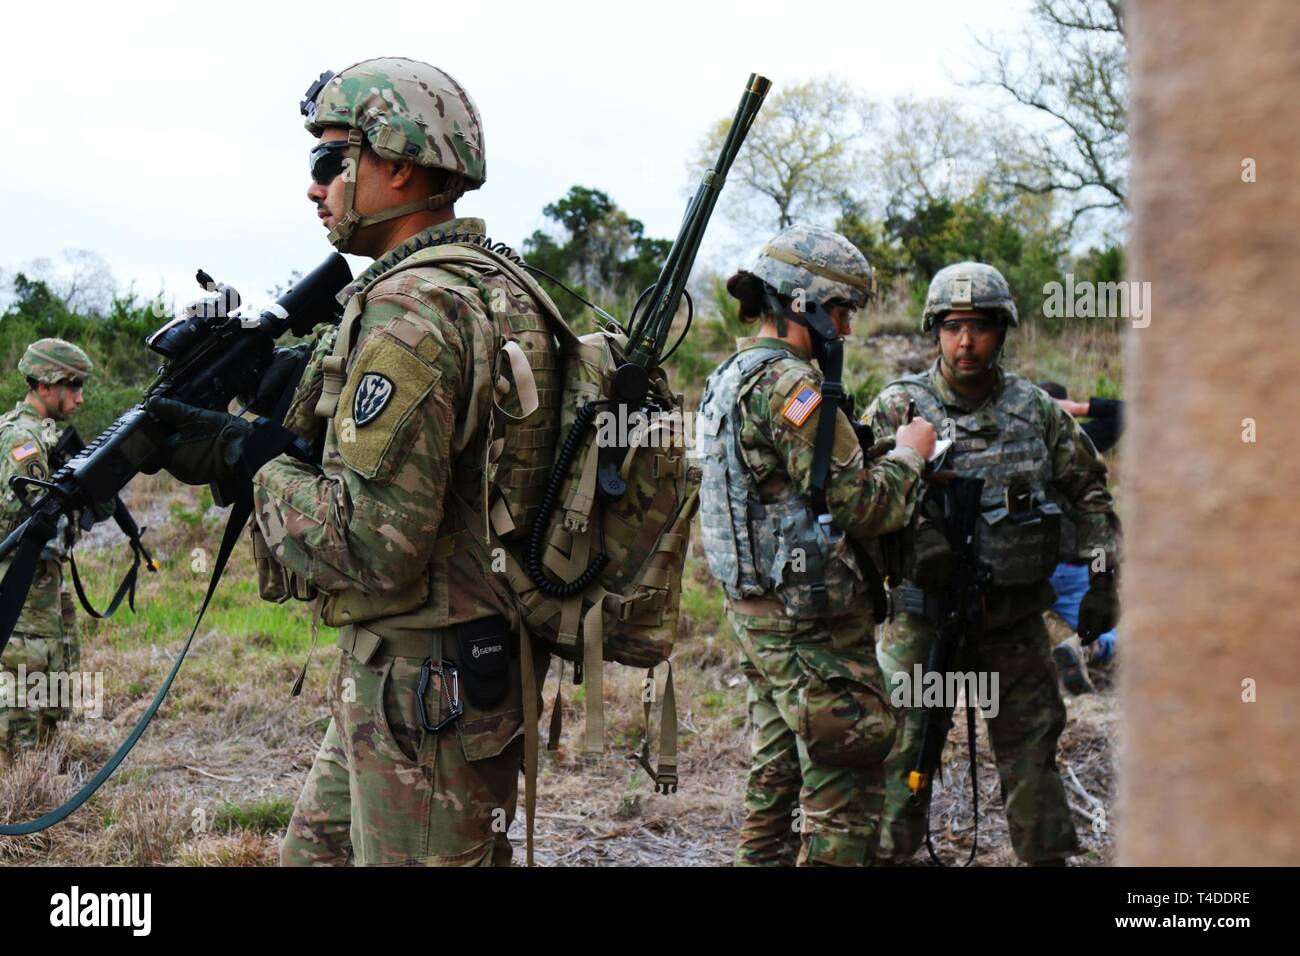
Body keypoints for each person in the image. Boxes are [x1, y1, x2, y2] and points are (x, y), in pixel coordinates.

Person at [148, 57, 558, 865]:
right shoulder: (494, 283)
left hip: (428, 695)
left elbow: (376, 543)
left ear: (399, 165)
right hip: (418, 677)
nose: (314, 186)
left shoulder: (410, 307)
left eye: (329, 161)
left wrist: (245, 459)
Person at [864, 261, 1121, 866]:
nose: (966, 341)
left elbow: (1090, 493)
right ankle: (884, 857)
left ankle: (1046, 858)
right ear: (935, 329)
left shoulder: (1037, 411)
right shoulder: (899, 406)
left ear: (1001, 331)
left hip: (1011, 622)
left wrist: (1103, 580)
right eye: (954, 326)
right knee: (903, 753)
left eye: (980, 326)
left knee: (1031, 753)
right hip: (922, 620)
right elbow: (859, 504)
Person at [697, 223, 936, 866]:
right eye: (841, 311)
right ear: (800, 305)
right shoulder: (792, 389)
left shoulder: (728, 377)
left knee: (774, 777)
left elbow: (795, 490)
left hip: (757, 615)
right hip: (809, 629)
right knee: (845, 794)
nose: (849, 330)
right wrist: (911, 457)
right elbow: (861, 506)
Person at [0, 339, 95, 766]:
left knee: (53, 677)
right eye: (72, 386)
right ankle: (17, 791)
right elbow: (33, 522)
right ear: (45, 386)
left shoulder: (40, 436)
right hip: (21, 588)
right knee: (23, 687)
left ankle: (38, 775)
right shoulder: (23, 441)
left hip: (42, 588)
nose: (79, 397)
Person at [1036, 381, 1122, 691]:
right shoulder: (1080, 442)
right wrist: (1079, 409)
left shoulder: (1014, 441)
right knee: (1112, 630)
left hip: (1023, 565)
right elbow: (1127, 414)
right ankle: (1086, 646)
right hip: (1072, 566)